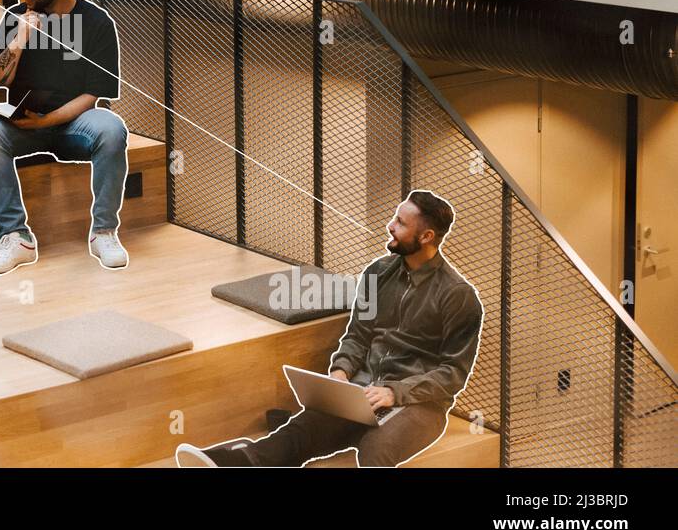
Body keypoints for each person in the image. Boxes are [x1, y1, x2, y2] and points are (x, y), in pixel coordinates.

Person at [176, 190, 483, 467]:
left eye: (401, 223)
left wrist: (395, 392)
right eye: (395, 218)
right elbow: (358, 335)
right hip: (363, 391)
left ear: (426, 236)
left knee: (376, 449)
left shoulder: (458, 295)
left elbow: (452, 374)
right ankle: (228, 463)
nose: (390, 226)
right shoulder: (377, 273)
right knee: (303, 428)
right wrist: (341, 372)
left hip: (420, 405)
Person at [0, 0, 130, 274]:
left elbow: (93, 95)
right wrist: (19, 38)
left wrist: (47, 122)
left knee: (112, 128)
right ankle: (16, 237)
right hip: (23, 122)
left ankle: (103, 232)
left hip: (74, 123)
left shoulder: (97, 22)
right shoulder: (16, 16)